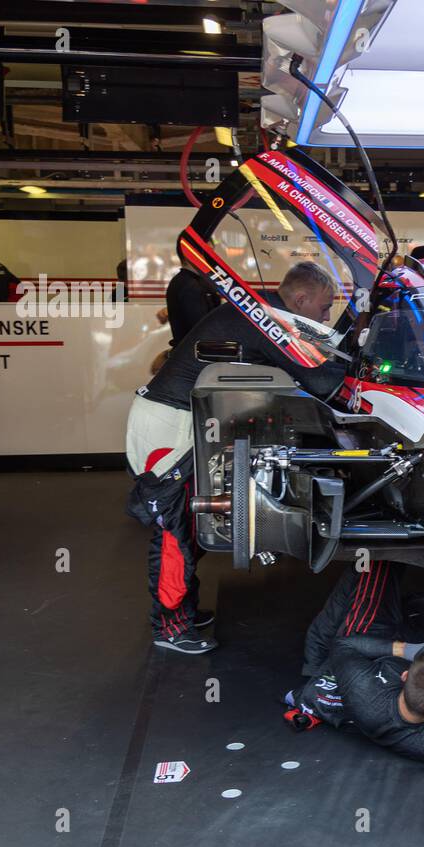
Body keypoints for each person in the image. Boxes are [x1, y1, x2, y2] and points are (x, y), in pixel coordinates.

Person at [123, 260, 346, 654]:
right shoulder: (267, 320)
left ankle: (182, 611)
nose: (326, 316)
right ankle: (170, 628)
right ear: (300, 298)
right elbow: (322, 381)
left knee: (188, 528)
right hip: (166, 428)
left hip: (175, 422)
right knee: (174, 532)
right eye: (325, 307)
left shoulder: (258, 312)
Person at [283, 560, 424, 761]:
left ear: (404, 676)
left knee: (377, 561)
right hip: (383, 659)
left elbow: (343, 645)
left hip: (344, 659)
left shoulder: (365, 690)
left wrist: (407, 650)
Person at [163, 254, 220, 347]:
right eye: (206, 251)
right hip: (195, 352)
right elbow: (201, 328)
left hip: (188, 350)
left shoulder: (185, 280)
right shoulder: (191, 285)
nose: (211, 256)